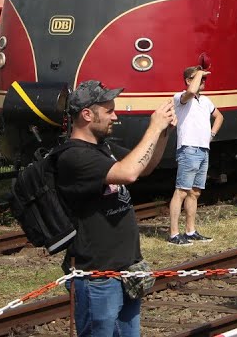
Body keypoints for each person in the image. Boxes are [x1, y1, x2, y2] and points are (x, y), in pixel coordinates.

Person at [55, 80, 176, 337]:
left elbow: (145, 166)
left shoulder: (104, 148)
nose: (115, 116)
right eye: (109, 111)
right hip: (97, 276)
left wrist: (163, 132)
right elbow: (128, 173)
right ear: (87, 115)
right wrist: (153, 128)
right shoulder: (74, 156)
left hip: (126, 269)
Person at [168, 66, 222, 246]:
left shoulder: (205, 101)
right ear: (188, 81)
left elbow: (219, 117)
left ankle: (190, 231)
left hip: (203, 149)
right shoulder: (180, 97)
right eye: (199, 78)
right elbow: (190, 92)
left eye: (204, 79)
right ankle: (174, 234)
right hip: (188, 148)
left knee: (195, 192)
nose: (203, 81)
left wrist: (211, 135)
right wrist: (200, 72)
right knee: (181, 191)